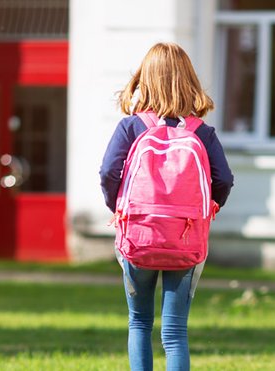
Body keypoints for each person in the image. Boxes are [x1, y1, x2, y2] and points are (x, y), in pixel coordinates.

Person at [99, 42, 233, 371]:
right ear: (189, 81)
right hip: (185, 238)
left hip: (138, 236)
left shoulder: (131, 127)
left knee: (139, 323)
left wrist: (117, 207)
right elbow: (224, 180)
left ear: (145, 79)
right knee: (175, 331)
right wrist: (207, 211)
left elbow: (107, 173)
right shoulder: (202, 133)